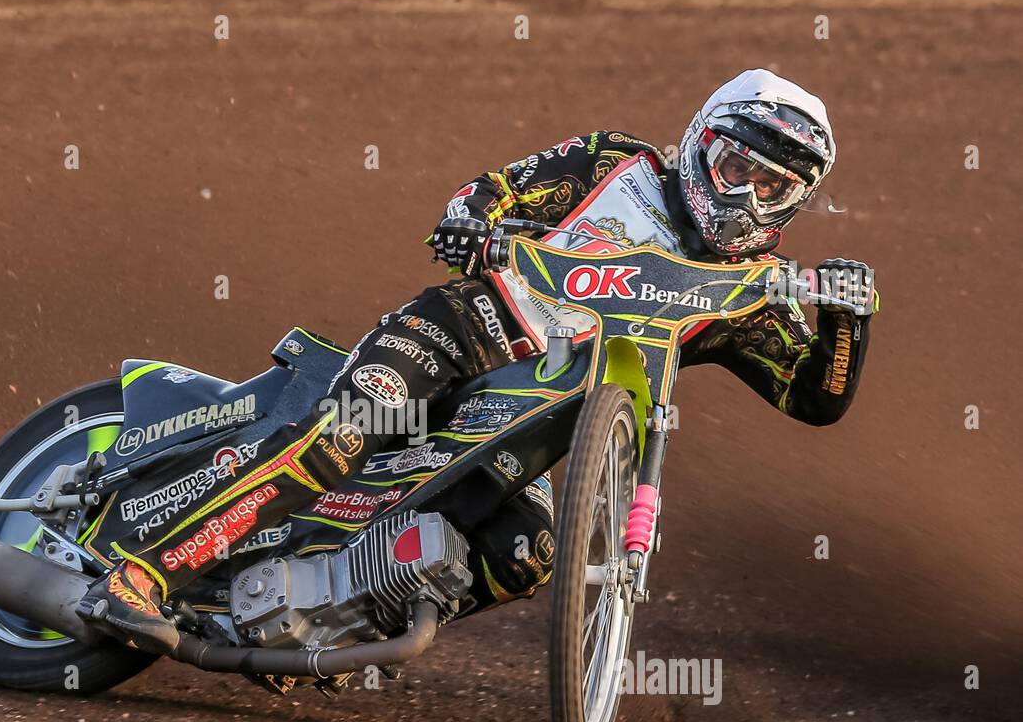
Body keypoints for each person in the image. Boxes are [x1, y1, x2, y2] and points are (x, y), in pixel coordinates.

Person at [78, 68, 878, 640]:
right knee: (343, 436)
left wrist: (847, 318)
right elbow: (486, 195)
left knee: (527, 553)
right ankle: (142, 574)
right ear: (702, 142)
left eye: (771, 187)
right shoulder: (615, 164)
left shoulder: (748, 291)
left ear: (795, 202)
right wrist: (476, 225)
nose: (743, 196)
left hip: (525, 421)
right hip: (460, 332)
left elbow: (814, 396)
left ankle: (327, 619)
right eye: (736, 168)